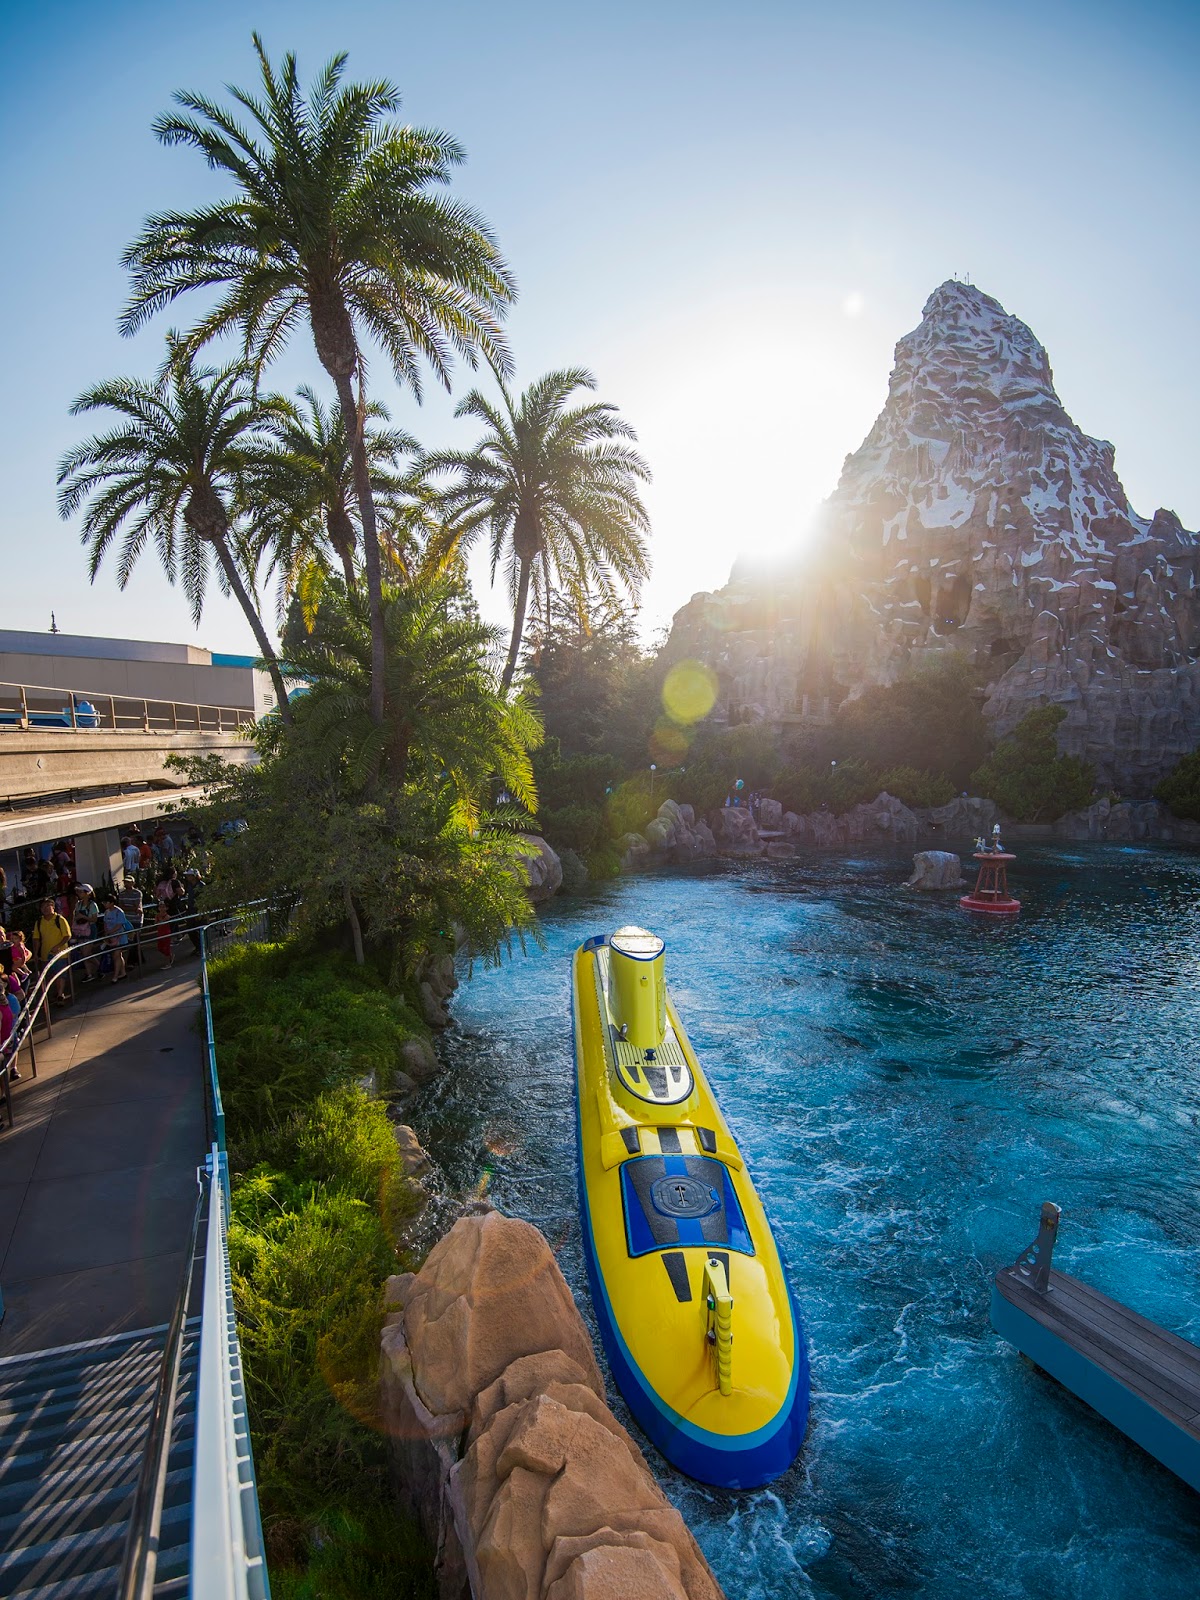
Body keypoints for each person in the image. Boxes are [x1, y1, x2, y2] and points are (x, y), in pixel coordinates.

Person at [31, 898, 72, 1000]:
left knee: (60, 974)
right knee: (51, 975)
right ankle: (58, 992)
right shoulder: (39, 922)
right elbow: (36, 938)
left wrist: (58, 945)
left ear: (53, 907)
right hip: (46, 954)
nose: (45, 909)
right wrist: (36, 953)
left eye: (47, 906)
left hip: (60, 954)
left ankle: (60, 994)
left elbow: (67, 935)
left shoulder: (60, 919)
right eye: (43, 907)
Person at [100, 895, 133, 984]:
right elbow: (105, 923)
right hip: (111, 937)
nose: (104, 904)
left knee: (116, 955)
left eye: (106, 902)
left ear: (112, 903)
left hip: (120, 937)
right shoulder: (107, 912)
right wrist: (107, 933)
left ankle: (115, 976)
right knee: (118, 956)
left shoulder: (119, 912)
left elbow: (119, 925)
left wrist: (110, 931)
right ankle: (123, 972)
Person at [71, 884, 100, 980]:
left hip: (90, 930)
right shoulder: (78, 904)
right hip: (80, 930)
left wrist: (83, 917)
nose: (79, 893)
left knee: (87, 953)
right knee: (84, 953)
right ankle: (89, 974)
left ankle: (100, 967)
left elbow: (94, 919)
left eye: (81, 892)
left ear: (87, 893)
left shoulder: (92, 905)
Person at [117, 877, 146, 972]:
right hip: (127, 919)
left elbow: (136, 906)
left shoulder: (137, 893)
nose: (126, 884)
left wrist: (129, 908)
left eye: (128, 882)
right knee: (133, 940)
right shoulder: (121, 894)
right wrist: (130, 908)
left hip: (136, 920)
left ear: (133, 883)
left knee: (133, 940)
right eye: (125, 882)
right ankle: (140, 959)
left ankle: (131, 962)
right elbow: (121, 906)